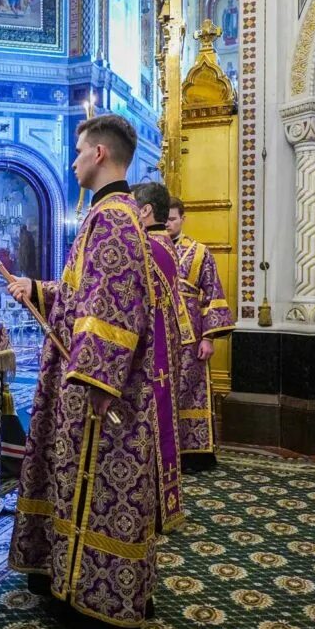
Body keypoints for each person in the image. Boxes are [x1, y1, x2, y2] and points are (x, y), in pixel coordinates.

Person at [5, 115, 170, 629]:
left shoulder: (113, 219)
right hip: (84, 377)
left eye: (79, 151)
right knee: (80, 483)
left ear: (99, 153)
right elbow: (84, 292)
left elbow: (116, 305)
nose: (73, 160)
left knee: (96, 488)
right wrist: (38, 288)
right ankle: (66, 579)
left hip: (97, 389)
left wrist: (99, 380)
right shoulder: (108, 214)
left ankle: (95, 600)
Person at [133, 181, 193, 530]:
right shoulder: (163, 243)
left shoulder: (148, 247)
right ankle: (162, 506)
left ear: (144, 211)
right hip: (162, 346)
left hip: (153, 351)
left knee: (151, 424)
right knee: (161, 422)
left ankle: (150, 507)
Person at [165, 197, 233, 470]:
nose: (167, 223)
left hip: (190, 337)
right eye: (164, 218)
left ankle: (193, 454)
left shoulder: (199, 252)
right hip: (159, 334)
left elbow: (213, 294)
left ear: (183, 218)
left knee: (191, 391)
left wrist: (208, 338)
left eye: (172, 218)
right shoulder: (147, 249)